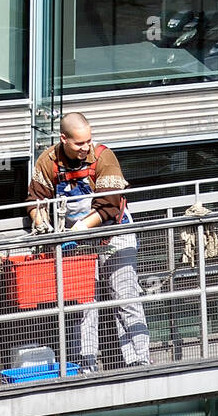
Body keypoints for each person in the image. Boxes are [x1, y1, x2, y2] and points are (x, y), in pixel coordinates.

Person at [28, 111, 150, 374]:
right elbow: (35, 200)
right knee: (84, 303)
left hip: (114, 233)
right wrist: (42, 225)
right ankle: (86, 363)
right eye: (79, 143)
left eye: (88, 141)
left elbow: (109, 205)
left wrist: (78, 230)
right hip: (77, 243)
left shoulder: (104, 157)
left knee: (125, 295)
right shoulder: (47, 162)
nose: (86, 148)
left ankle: (139, 360)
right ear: (64, 139)